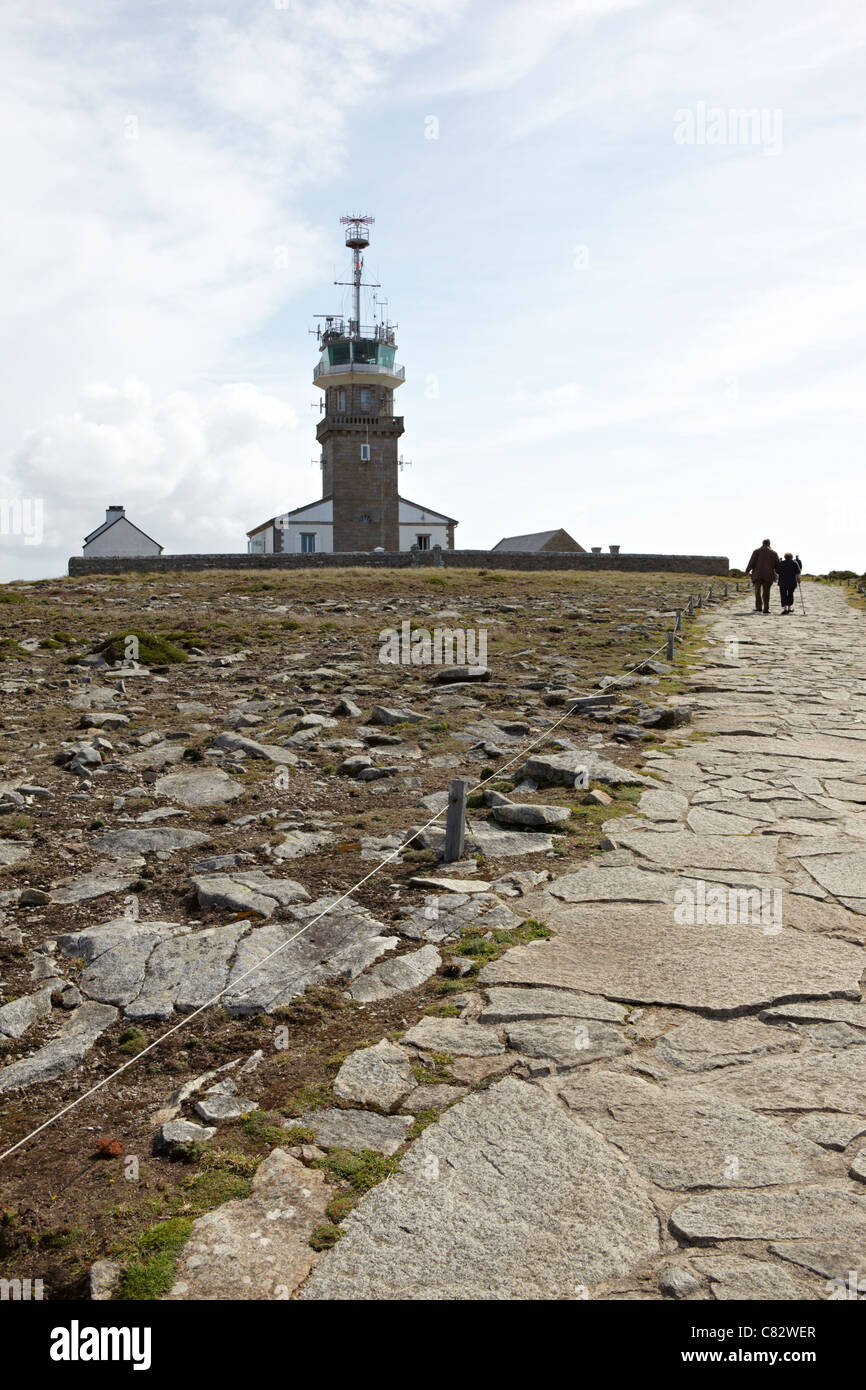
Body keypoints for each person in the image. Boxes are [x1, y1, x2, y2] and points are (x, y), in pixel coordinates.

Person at [745, 539, 780, 614]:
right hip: (768, 575)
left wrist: (747, 571)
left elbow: (751, 562)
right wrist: (780, 573)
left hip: (757, 575)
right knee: (766, 592)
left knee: (757, 591)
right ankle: (766, 609)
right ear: (769, 544)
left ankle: (758, 607)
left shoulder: (756, 551)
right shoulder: (773, 553)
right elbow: (778, 566)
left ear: (762, 543)